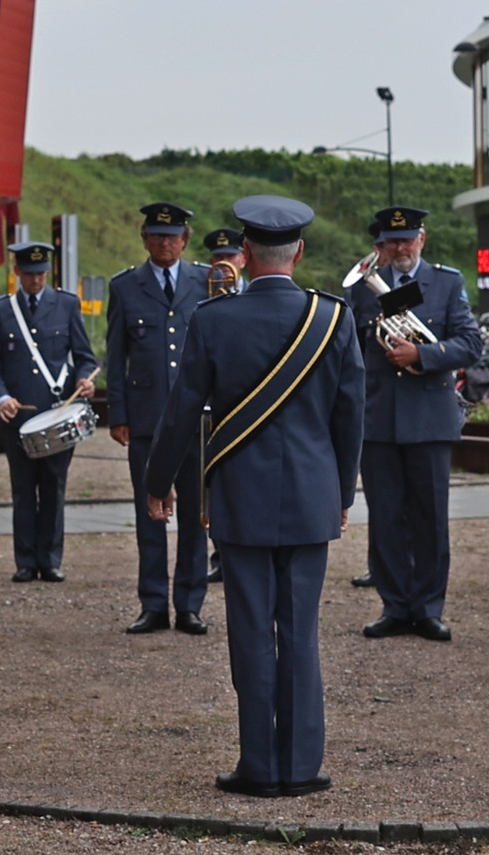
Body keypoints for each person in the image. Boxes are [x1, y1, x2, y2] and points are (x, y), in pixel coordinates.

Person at [140, 195, 363, 799]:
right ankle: (302, 764)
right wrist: (342, 492)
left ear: (244, 253)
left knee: (250, 633)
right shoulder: (334, 317)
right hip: (314, 497)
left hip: (241, 499)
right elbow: (350, 419)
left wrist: (157, 483)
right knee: (300, 632)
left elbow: (181, 413)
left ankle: (260, 766)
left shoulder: (213, 319)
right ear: (301, 252)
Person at [351, 206, 483, 642]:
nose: (400, 248)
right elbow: (347, 345)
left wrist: (422, 356)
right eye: (392, 242)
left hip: (429, 418)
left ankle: (428, 608)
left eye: (407, 240)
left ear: (422, 239)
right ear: (381, 246)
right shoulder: (365, 287)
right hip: (379, 418)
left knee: (430, 519)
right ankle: (393, 605)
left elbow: (470, 343)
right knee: (386, 518)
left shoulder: (447, 283)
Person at [104, 201, 210, 635]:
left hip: (197, 419)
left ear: (184, 241)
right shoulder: (126, 286)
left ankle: (189, 604)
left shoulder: (205, 281)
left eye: (172, 236)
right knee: (150, 512)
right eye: (156, 235)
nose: (164, 243)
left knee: (195, 516)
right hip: (147, 418)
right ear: (144, 238)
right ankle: (153, 604)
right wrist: (118, 414)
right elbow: (116, 356)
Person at [0, 242, 100, 582]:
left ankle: (50, 559)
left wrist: (84, 380)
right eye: (29, 274)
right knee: (22, 489)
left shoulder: (66, 304)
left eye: (41, 274)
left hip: (57, 414)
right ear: (17, 272)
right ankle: (25, 561)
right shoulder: (3, 310)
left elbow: (85, 357)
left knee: (54, 487)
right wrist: (2, 398)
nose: (35, 280)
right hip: (17, 417)